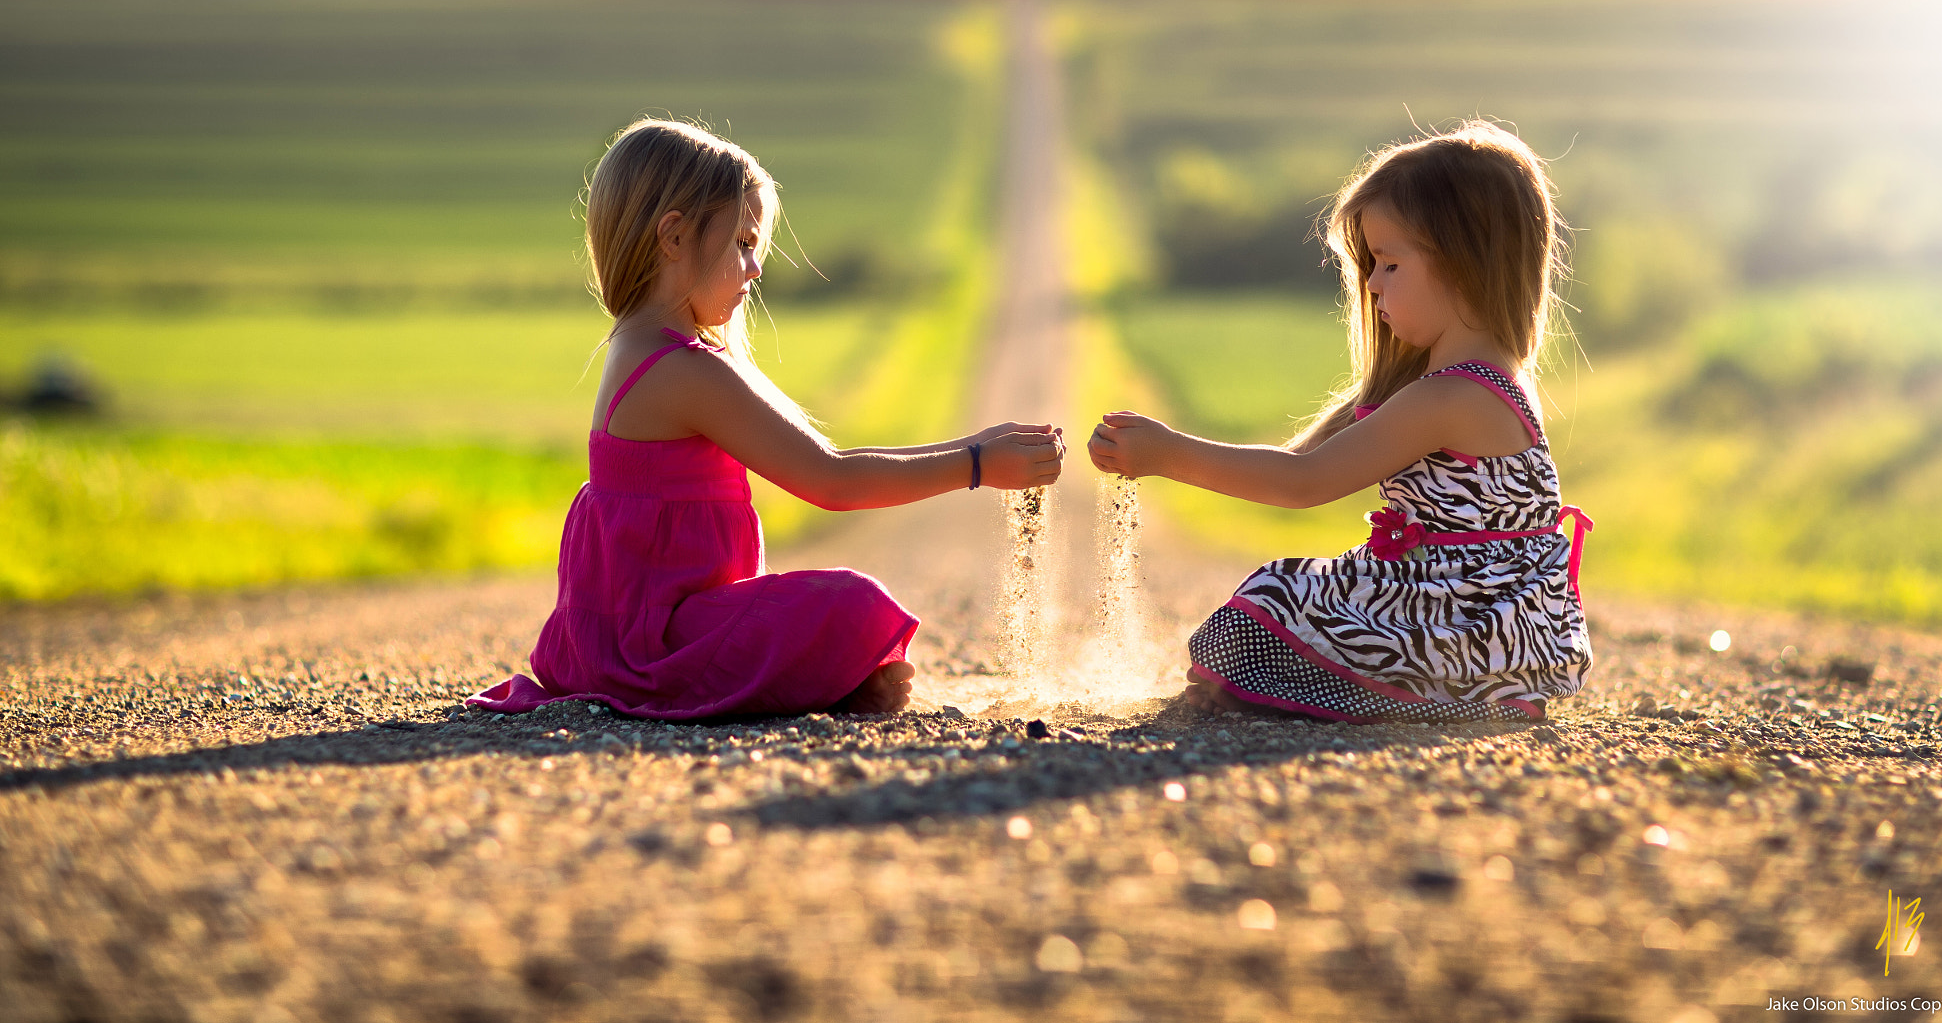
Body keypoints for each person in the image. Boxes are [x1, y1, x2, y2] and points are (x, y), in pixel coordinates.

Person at [471, 119, 1063, 720]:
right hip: (656, 646)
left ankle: (821, 678)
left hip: (636, 633)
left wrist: (978, 445)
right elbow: (831, 481)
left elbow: (831, 460)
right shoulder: (681, 371)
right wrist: (978, 466)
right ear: (673, 236)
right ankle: (826, 683)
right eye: (743, 243)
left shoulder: (650, 347)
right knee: (850, 604)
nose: (755, 269)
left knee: (821, 611)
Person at [1088, 121, 1591, 723]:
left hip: (1465, 621)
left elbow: (1302, 483)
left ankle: (1441, 694)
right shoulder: (1458, 386)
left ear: (1464, 263)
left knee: (1276, 597)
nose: (1373, 284)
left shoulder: (1453, 398)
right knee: (1289, 601)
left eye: (1389, 263)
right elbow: (1296, 461)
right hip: (1460, 604)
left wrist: (1167, 454)